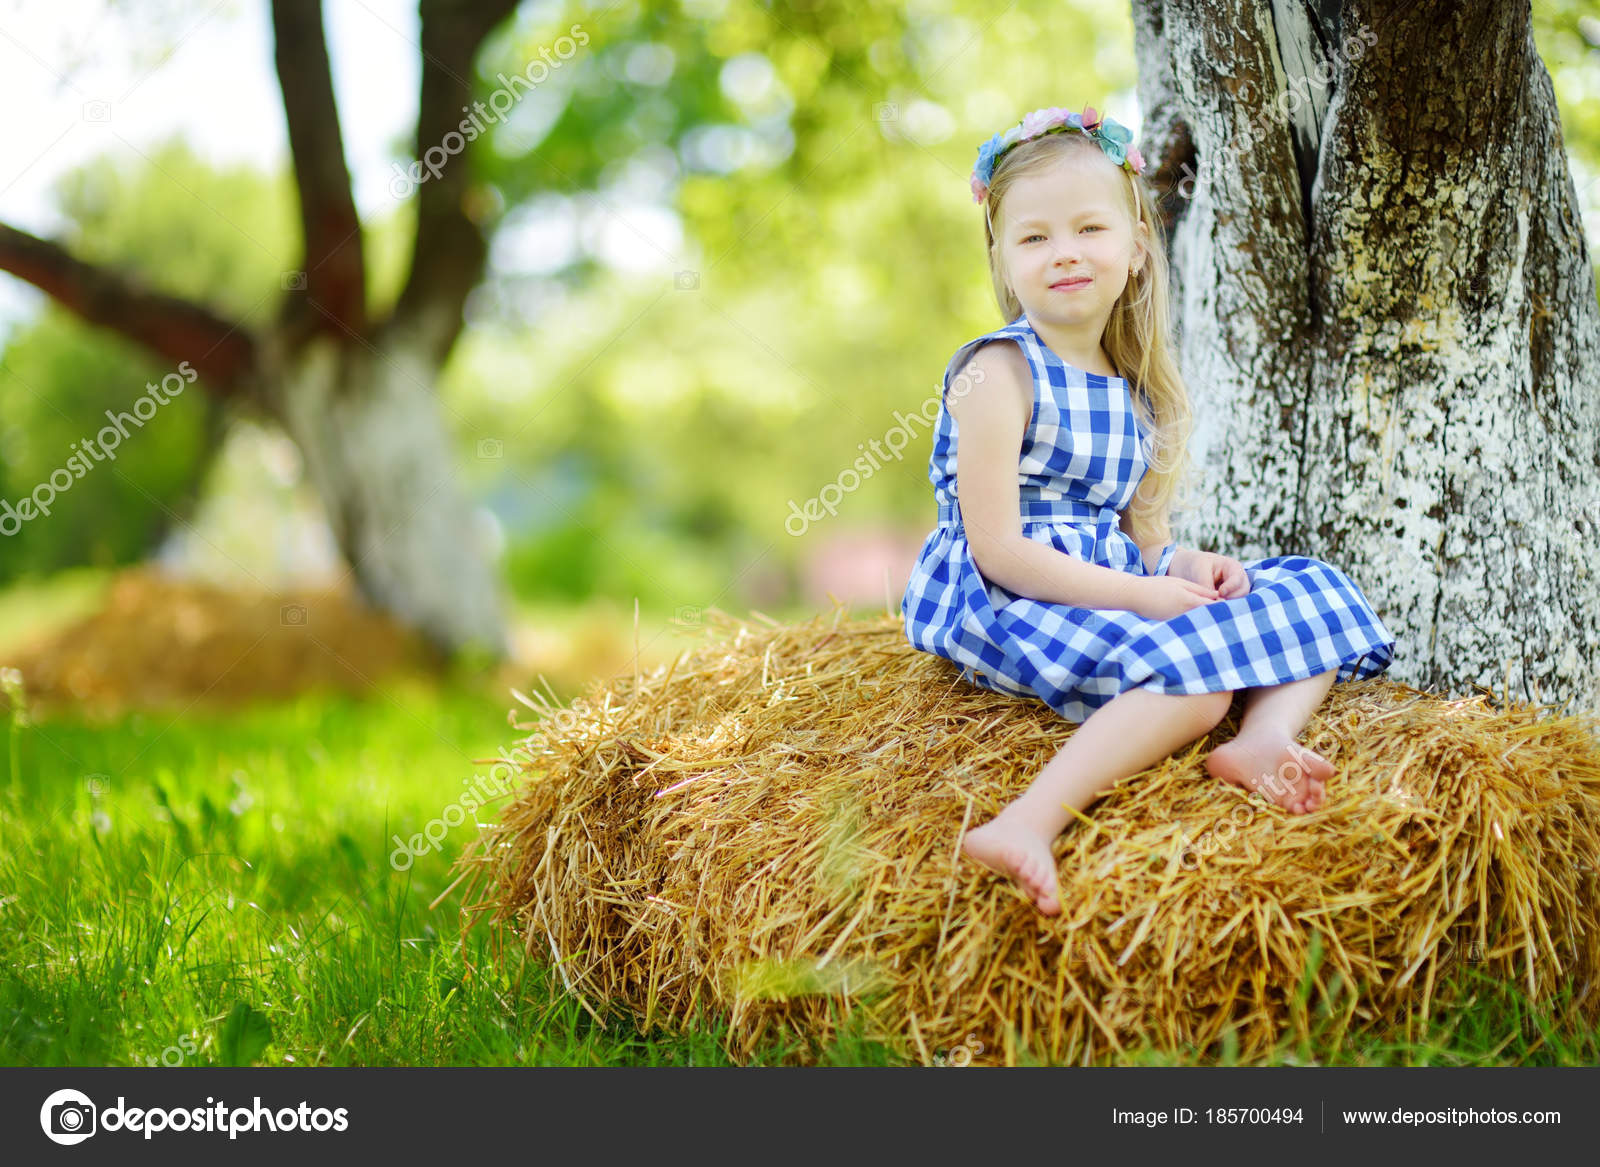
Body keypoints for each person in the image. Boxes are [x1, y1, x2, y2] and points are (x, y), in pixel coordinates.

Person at [900, 104, 1396, 916]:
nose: (1064, 252)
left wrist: (1184, 567)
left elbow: (1141, 539)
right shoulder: (997, 372)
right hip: (1007, 596)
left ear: (1135, 249)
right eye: (1033, 238)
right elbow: (995, 547)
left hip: (1107, 579)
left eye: (1089, 228)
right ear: (1003, 260)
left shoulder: (1133, 385)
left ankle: (1265, 739)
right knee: (1198, 688)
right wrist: (1141, 593)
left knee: (1315, 587)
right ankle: (1027, 821)